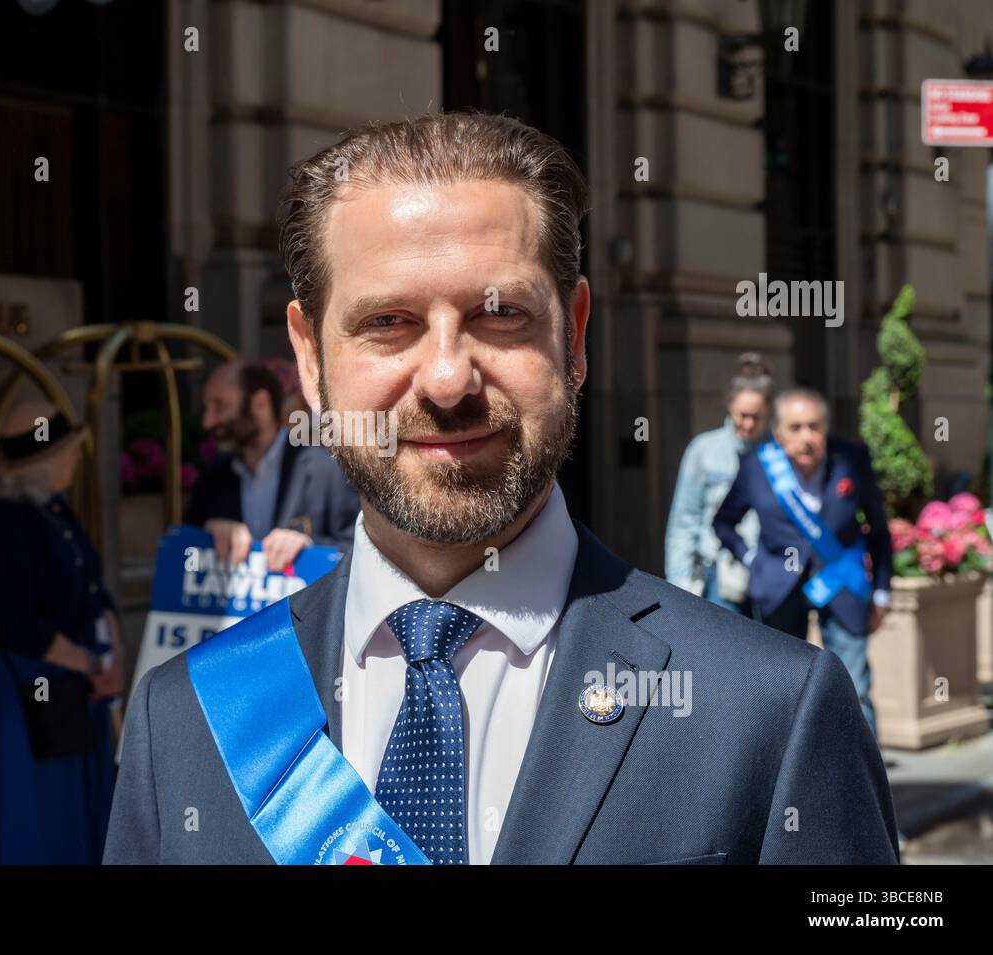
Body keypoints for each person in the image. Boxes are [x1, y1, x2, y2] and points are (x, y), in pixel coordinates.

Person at [104, 112, 897, 865]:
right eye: (387, 322)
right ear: (310, 360)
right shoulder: (182, 722)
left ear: (574, 335)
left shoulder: (770, 710)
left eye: (501, 315)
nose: (448, 379)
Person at [0, 401, 123, 863]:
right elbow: (19, 624)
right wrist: (95, 665)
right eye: (67, 451)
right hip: (24, 692)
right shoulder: (2, 525)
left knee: (70, 819)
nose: (75, 458)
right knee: (29, 823)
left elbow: (94, 590)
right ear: (43, 462)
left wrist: (112, 656)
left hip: (76, 685)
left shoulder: (57, 513)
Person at [713, 388, 892, 738]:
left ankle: (866, 786)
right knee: (782, 690)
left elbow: (880, 531)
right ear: (778, 433)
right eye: (795, 428)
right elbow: (724, 522)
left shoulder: (851, 459)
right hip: (779, 589)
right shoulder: (757, 466)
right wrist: (752, 560)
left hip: (843, 585)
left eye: (814, 426)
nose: (807, 437)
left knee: (855, 689)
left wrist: (882, 593)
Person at [183, 359, 360, 569]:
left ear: (260, 403)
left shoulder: (325, 470)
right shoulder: (211, 479)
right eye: (207, 408)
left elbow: (360, 552)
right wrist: (206, 533)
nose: (208, 422)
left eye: (219, 406)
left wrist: (309, 547)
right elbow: (182, 554)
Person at [664, 353, 772, 614]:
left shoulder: (778, 455)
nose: (748, 424)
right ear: (729, 405)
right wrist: (680, 587)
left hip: (769, 576)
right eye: (742, 415)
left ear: (769, 410)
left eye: (756, 416)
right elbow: (684, 521)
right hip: (719, 575)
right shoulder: (704, 451)